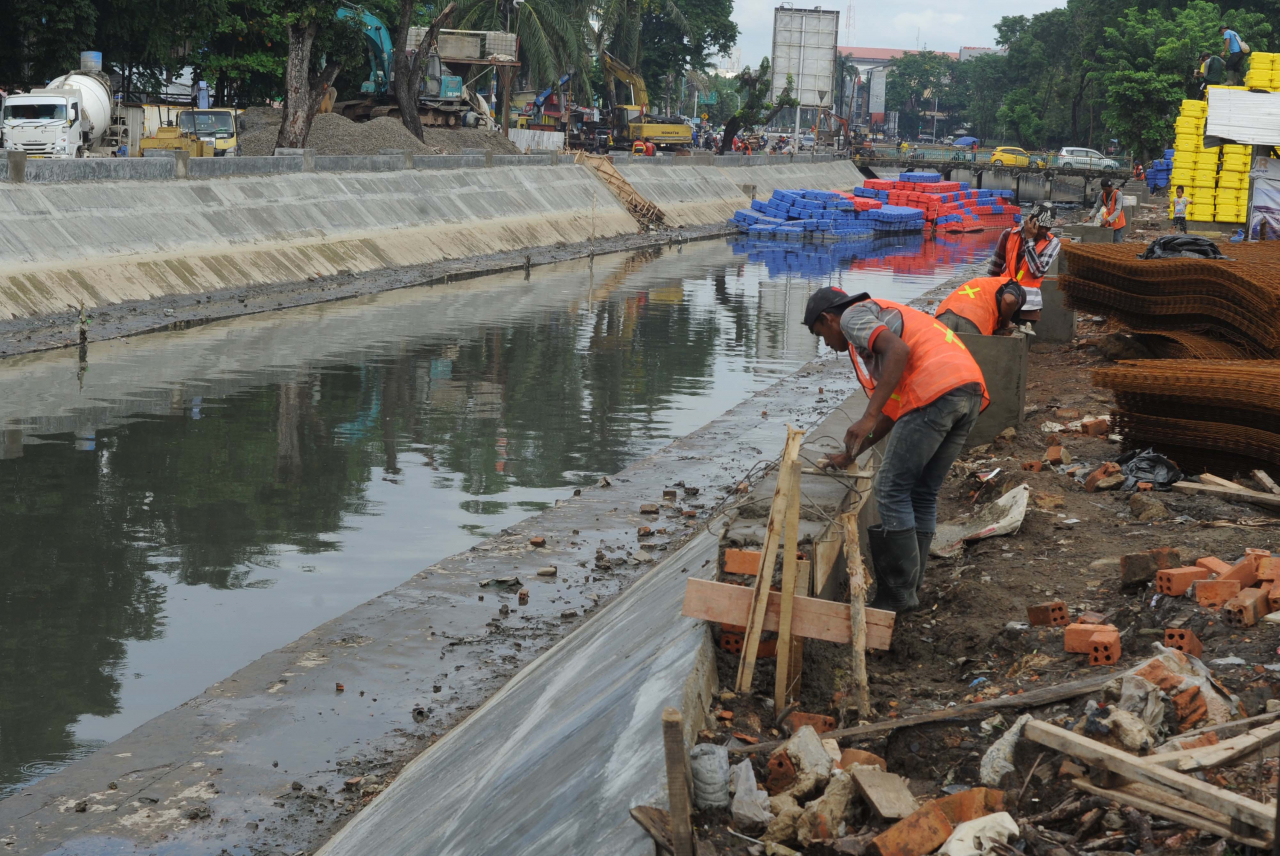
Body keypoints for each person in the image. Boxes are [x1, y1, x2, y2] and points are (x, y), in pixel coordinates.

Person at [805, 287, 988, 612]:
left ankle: (897, 595)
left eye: (821, 334)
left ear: (827, 318)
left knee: (890, 488)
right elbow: (892, 409)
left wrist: (867, 416)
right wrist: (853, 453)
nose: (828, 345)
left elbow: (898, 352)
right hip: (967, 389)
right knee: (922, 492)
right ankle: (911, 589)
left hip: (935, 390)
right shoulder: (885, 316)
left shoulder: (852, 316)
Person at [985, 203, 1061, 321]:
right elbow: (994, 269)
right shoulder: (1008, 234)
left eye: (1047, 228)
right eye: (1040, 226)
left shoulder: (1052, 243)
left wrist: (1029, 241)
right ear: (1029, 221)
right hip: (1003, 295)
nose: (1043, 231)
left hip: (1028, 304)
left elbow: (1038, 271)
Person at [935, 277, 1026, 336]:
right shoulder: (1013, 285)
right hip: (973, 322)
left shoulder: (983, 283)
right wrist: (1005, 325)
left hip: (943, 317)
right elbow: (1009, 300)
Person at [1089, 178, 1127, 242]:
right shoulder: (1102, 194)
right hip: (1108, 223)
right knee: (1107, 243)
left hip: (1117, 224)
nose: (1104, 191)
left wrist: (1107, 220)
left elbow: (1118, 210)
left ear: (1110, 187)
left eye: (1105, 189)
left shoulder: (1118, 194)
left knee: (1117, 242)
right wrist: (1089, 216)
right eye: (1103, 189)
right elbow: (1097, 207)